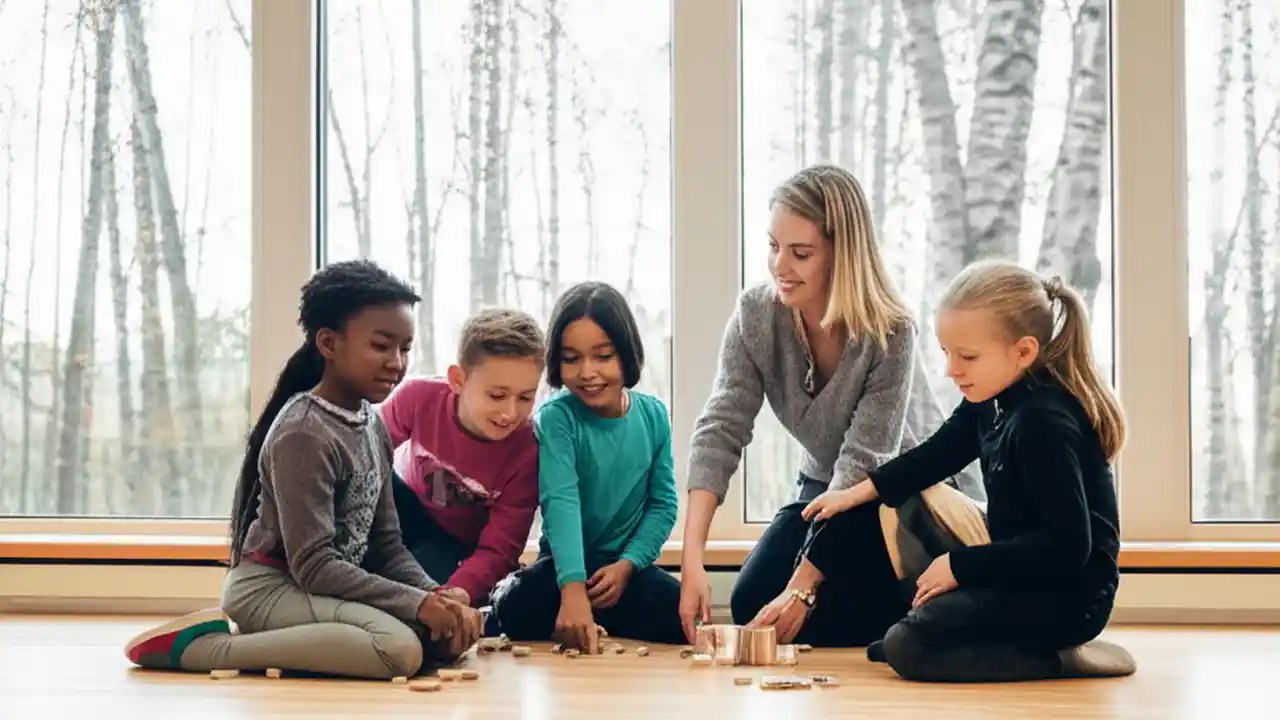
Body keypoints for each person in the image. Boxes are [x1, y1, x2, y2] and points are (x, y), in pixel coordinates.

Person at [123, 260, 482, 680]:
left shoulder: (372, 425)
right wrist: (417, 605)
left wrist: (436, 596)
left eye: (405, 347)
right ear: (329, 344)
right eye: (381, 346)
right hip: (272, 590)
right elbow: (314, 565)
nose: (396, 362)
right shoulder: (304, 432)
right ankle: (208, 648)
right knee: (398, 649)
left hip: (318, 590)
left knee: (434, 633)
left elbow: (387, 545)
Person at [800, 260, 1136, 682]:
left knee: (907, 646)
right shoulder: (991, 398)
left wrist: (960, 565)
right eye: (946, 353)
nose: (951, 369)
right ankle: (945, 634)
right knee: (900, 620)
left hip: (1071, 597)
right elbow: (936, 455)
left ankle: (1065, 658)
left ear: (1024, 351)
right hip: (1019, 574)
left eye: (968, 356)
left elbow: (1068, 549)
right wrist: (854, 493)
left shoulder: (1042, 422)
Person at [679, 164, 927, 647]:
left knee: (820, 601)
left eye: (801, 253)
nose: (779, 267)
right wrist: (692, 559)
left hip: (889, 498)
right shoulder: (756, 315)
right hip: (819, 491)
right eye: (773, 246)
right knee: (753, 599)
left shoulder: (891, 332)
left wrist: (803, 588)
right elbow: (720, 429)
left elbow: (864, 464)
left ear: (842, 255)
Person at [492, 282, 684, 650]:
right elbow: (560, 502)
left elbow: (663, 506)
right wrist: (573, 588)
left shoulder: (654, 415)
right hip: (562, 571)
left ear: (625, 354)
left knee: (679, 613)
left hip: (623, 570)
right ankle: (573, 616)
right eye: (571, 358)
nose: (587, 372)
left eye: (602, 356)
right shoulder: (557, 418)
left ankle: (592, 619)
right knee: (514, 607)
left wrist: (628, 565)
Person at [381, 309, 544, 608]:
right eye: (496, 395)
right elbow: (359, 456)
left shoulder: (527, 450)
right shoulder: (417, 399)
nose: (510, 413)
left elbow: (499, 549)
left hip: (457, 550)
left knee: (427, 590)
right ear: (458, 380)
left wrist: (457, 594)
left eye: (525, 397)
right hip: (402, 516)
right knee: (370, 466)